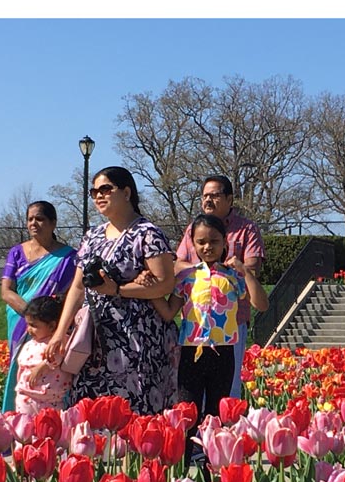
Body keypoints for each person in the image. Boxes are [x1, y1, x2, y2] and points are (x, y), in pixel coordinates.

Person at [45, 167, 178, 415]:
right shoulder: (92, 236)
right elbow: (77, 286)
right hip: (93, 339)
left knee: (134, 408)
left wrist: (117, 289)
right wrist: (60, 332)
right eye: (94, 191)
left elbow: (165, 283)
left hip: (136, 338)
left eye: (106, 189)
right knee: (90, 409)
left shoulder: (147, 234)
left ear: (126, 192)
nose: (98, 196)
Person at [151, 214, 268, 463]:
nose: (207, 247)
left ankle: (211, 470)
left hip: (223, 352)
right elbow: (170, 311)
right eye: (201, 241)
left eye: (214, 241)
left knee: (217, 414)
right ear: (192, 243)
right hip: (191, 352)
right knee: (187, 413)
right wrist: (150, 291)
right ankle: (181, 468)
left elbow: (261, 304)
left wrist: (246, 272)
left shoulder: (234, 277)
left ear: (225, 242)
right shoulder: (186, 278)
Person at [175, 175, 266, 399]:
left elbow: (252, 272)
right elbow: (178, 263)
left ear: (229, 199)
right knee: (192, 400)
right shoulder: (191, 229)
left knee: (226, 396)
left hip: (230, 329)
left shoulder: (246, 229)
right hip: (194, 334)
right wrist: (206, 270)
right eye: (205, 195)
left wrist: (227, 271)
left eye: (214, 195)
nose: (208, 200)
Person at [0, 201, 77, 411]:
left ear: (53, 223)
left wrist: (47, 319)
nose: (34, 223)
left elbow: (73, 294)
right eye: (30, 219)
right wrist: (32, 316)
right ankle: (15, 425)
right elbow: (6, 291)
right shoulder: (17, 252)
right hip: (22, 320)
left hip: (52, 324)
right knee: (20, 366)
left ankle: (53, 425)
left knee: (52, 365)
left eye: (40, 218)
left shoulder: (69, 257)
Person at [14, 295, 73, 414]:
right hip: (26, 397)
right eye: (28, 324)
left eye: (34, 326)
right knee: (26, 428)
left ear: (52, 326)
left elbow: (59, 356)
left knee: (50, 429)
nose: (29, 330)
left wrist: (43, 366)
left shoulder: (59, 341)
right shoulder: (30, 344)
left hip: (51, 400)